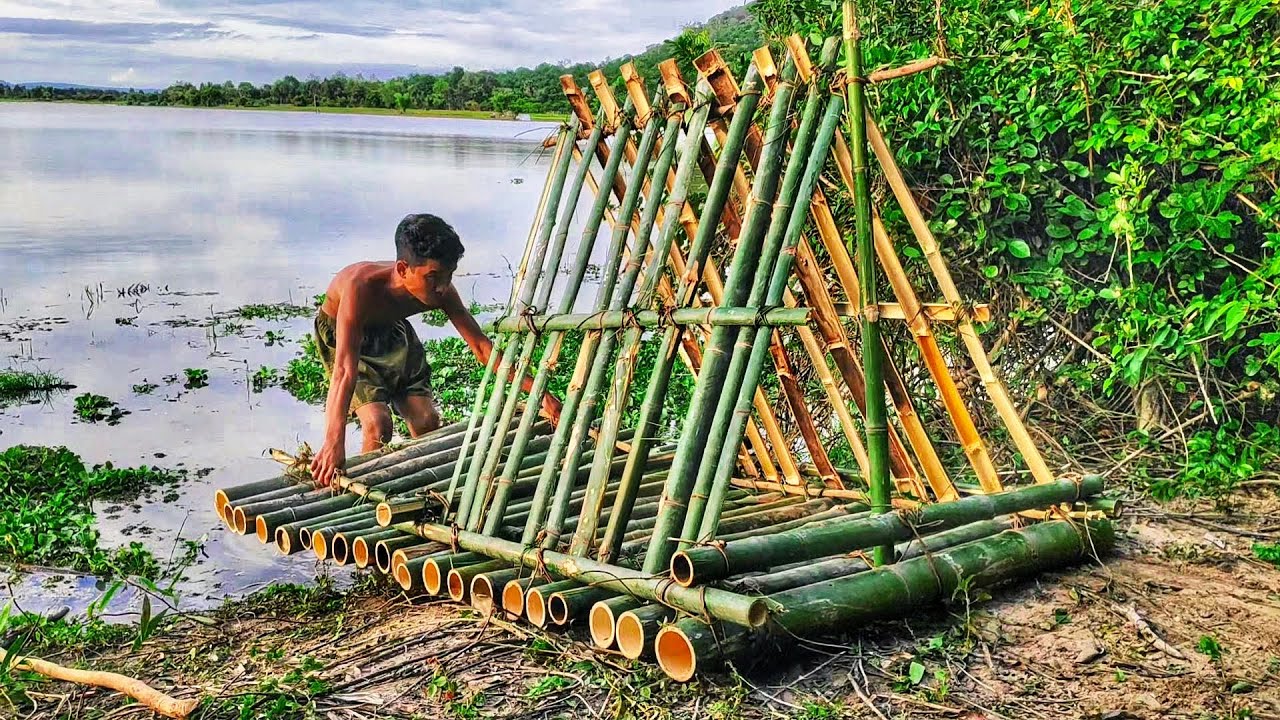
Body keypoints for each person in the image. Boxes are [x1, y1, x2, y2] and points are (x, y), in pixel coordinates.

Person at [309, 213, 560, 486]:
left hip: (394, 332)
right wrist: (334, 442)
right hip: (346, 337)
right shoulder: (360, 287)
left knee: (427, 420)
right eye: (433, 277)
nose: (442, 286)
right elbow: (345, 369)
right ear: (403, 270)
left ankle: (424, 486)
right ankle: (363, 492)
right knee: (378, 424)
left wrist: (540, 394)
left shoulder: (442, 291)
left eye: (448, 275)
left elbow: (482, 348)